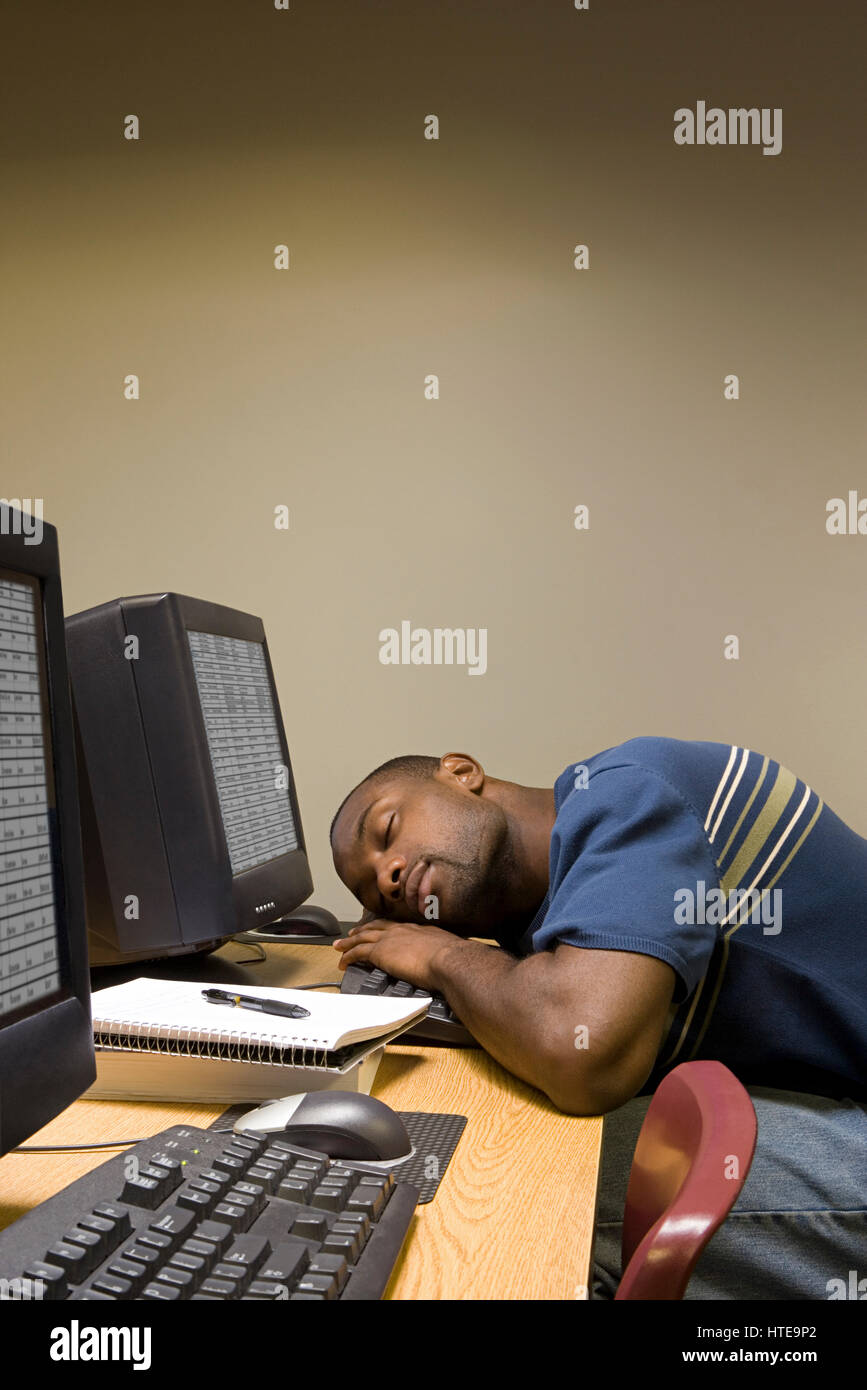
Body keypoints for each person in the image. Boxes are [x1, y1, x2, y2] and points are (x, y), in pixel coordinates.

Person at [328, 737, 867, 1299]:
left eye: (388, 830)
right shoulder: (550, 909)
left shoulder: (631, 794)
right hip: (838, 1103)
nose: (389, 872)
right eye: (377, 895)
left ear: (461, 772)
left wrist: (441, 957)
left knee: (539, 1193)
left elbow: (583, 1056)